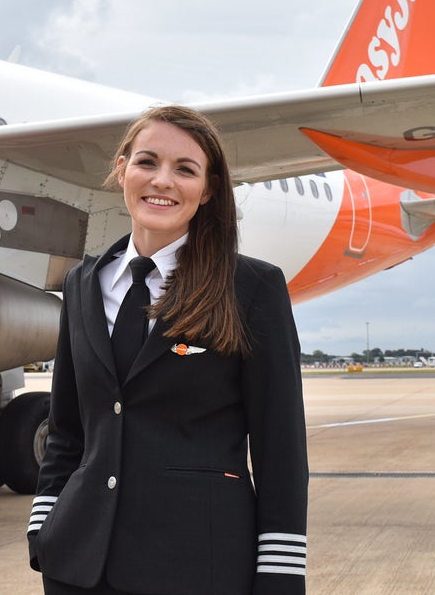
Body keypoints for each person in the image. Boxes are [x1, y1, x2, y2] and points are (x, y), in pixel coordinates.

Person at [26, 104, 308, 594]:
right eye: (147, 162)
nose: (162, 181)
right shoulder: (82, 283)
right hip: (79, 564)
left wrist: (281, 570)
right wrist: (44, 526)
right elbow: (68, 428)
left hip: (197, 565)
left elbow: (279, 448)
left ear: (208, 190)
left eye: (185, 169)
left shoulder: (251, 287)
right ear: (122, 171)